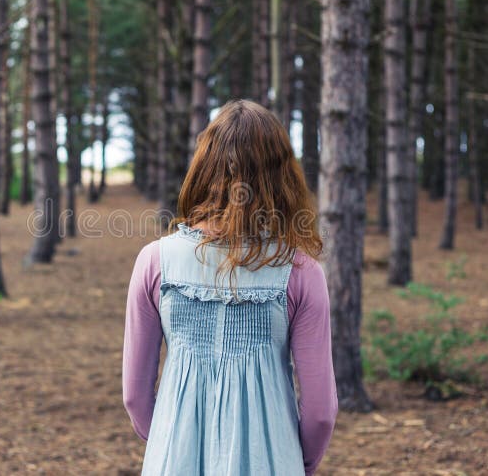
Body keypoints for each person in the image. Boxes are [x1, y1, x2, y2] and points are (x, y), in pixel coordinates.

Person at [122, 99, 338, 475]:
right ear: (283, 176)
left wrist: (169, 440)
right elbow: (320, 412)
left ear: (204, 168)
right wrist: (296, 460)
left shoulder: (155, 261)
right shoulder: (300, 270)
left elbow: (134, 397)